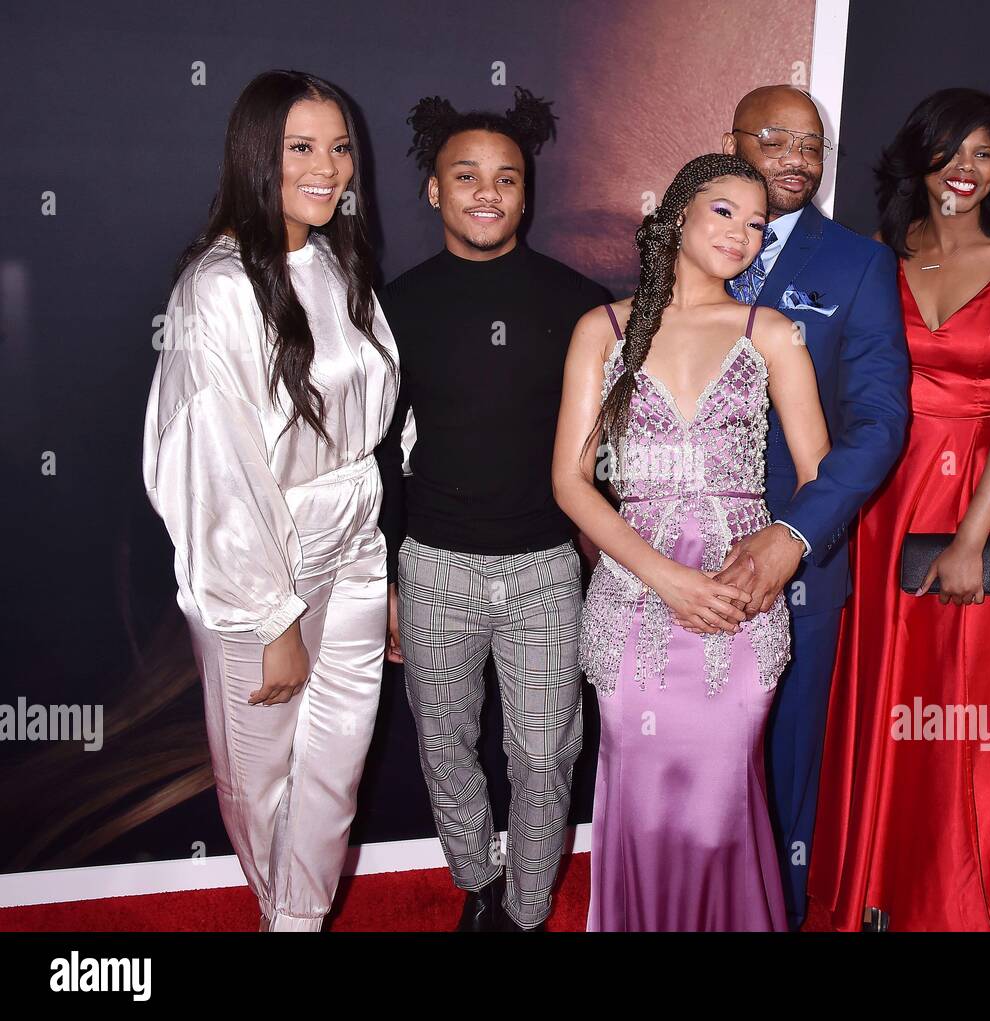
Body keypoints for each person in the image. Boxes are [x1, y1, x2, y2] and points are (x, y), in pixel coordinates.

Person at [142, 70, 397, 932]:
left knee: (333, 780)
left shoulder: (332, 259)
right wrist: (273, 616)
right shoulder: (216, 288)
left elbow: (375, 416)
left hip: (356, 558)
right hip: (264, 578)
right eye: (300, 148)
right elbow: (214, 468)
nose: (328, 168)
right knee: (262, 790)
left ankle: (296, 924)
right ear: (256, 155)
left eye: (338, 147)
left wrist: (383, 561)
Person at [553, 153, 831, 931]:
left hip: (740, 603)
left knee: (718, 805)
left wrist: (778, 551)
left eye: (757, 223)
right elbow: (573, 483)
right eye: (724, 212)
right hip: (632, 604)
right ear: (677, 214)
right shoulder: (599, 330)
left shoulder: (770, 331)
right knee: (639, 799)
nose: (742, 233)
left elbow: (819, 477)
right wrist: (664, 579)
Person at [809, 87, 990, 931]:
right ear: (918, 157)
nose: (964, 169)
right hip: (891, 488)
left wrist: (970, 536)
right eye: (950, 151)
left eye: (983, 154)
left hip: (988, 495)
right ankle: (879, 882)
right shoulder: (883, 252)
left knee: (971, 698)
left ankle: (968, 897)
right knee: (888, 685)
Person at [376, 88, 611, 932]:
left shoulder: (579, 303)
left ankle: (525, 908)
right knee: (444, 746)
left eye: (505, 178)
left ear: (527, 192)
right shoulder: (394, 308)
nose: (486, 192)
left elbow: (605, 450)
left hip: (546, 566)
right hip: (431, 563)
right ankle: (477, 877)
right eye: (465, 175)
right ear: (435, 190)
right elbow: (378, 456)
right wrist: (388, 579)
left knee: (547, 753)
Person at [712, 85, 911, 930]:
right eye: (775, 138)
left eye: (813, 142)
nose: (797, 156)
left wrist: (796, 532)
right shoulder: (684, 245)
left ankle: (775, 915)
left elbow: (881, 421)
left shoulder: (858, 263)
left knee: (787, 760)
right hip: (676, 553)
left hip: (798, 560)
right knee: (688, 759)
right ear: (732, 142)